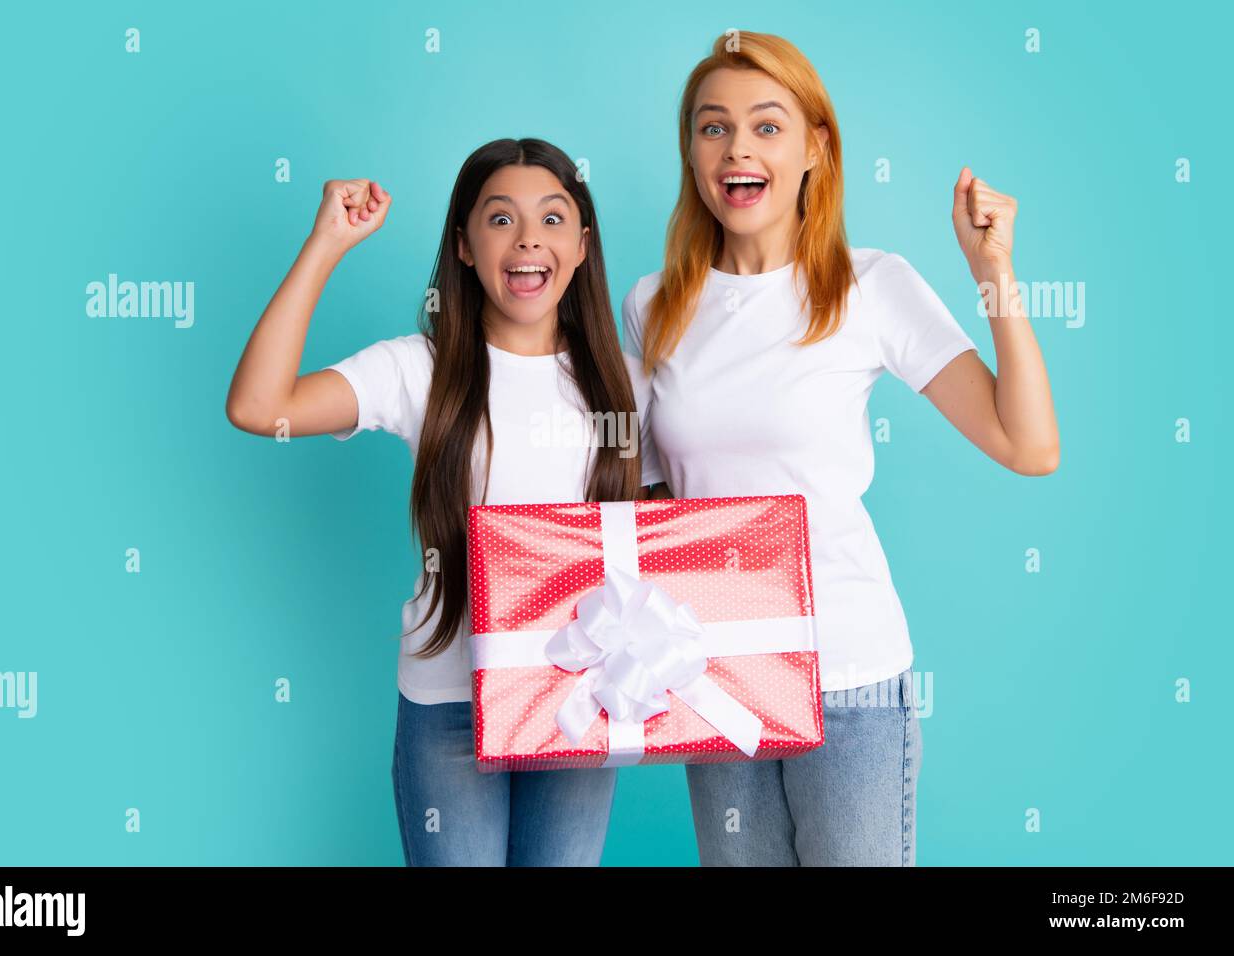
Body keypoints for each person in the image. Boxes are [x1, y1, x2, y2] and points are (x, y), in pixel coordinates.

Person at [623, 31, 1059, 866]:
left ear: (816, 147)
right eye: (713, 127)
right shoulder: (653, 305)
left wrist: (994, 273)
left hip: (847, 677)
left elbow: (1029, 444)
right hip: (715, 677)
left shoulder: (869, 284)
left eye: (767, 125)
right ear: (692, 151)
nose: (737, 147)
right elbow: (652, 502)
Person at [226, 137, 663, 866]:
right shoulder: (418, 369)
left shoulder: (629, 385)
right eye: (501, 219)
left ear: (583, 246)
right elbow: (257, 405)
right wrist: (326, 244)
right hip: (449, 703)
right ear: (463, 245)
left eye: (553, 219)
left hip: (579, 699)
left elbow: (668, 542)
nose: (528, 239)